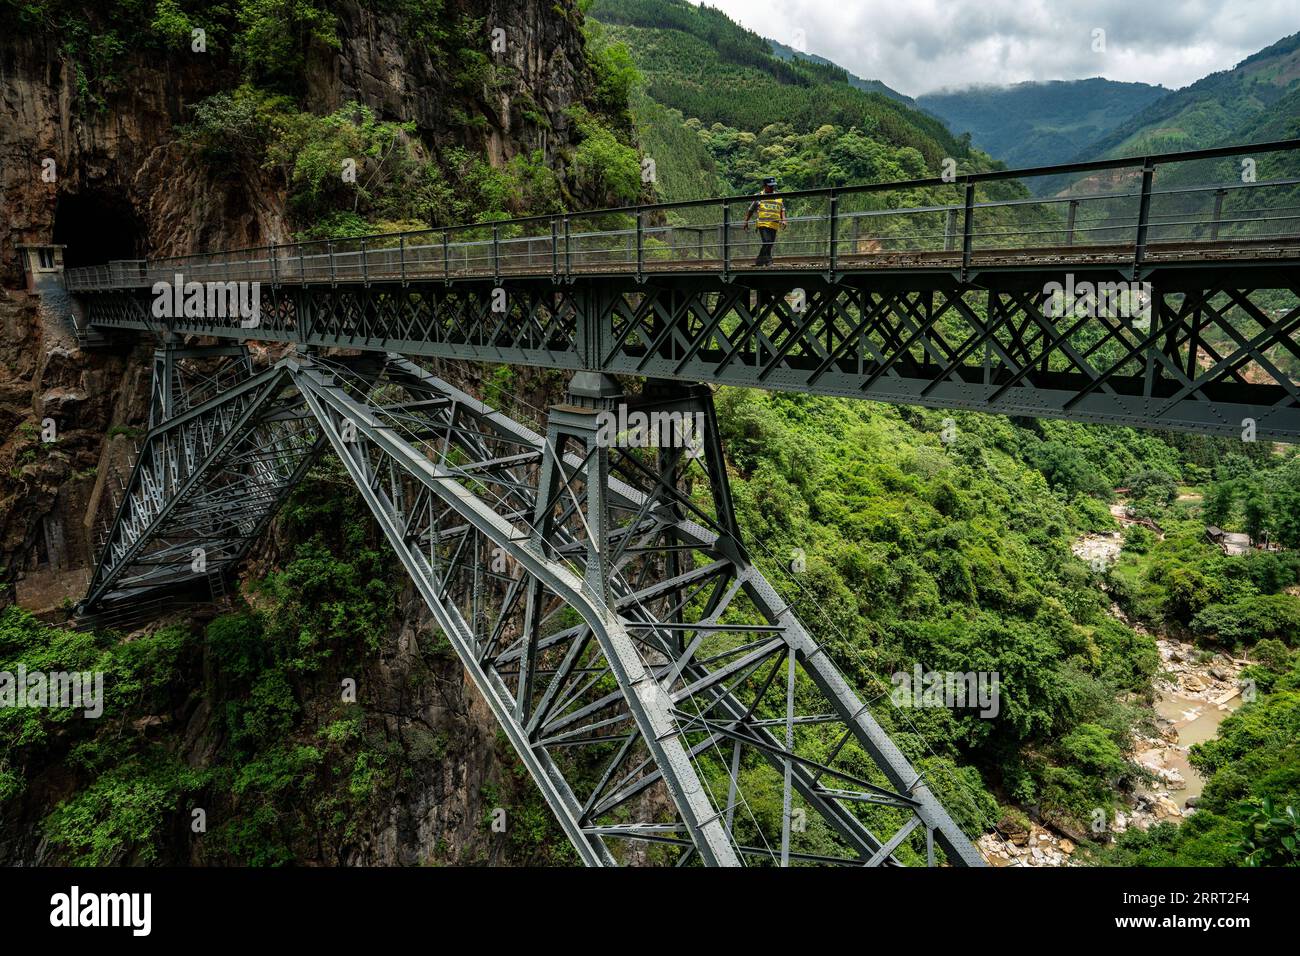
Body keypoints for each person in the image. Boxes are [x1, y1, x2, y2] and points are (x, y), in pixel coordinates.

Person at [743, 177, 786, 266]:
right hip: (763, 224)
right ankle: (769, 261)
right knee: (767, 242)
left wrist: (784, 220)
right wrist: (746, 222)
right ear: (765, 186)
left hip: (774, 224)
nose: (772, 188)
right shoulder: (759, 196)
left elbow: (782, 209)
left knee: (770, 243)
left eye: (773, 186)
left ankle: (760, 261)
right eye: (770, 186)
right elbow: (750, 210)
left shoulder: (778, 197)